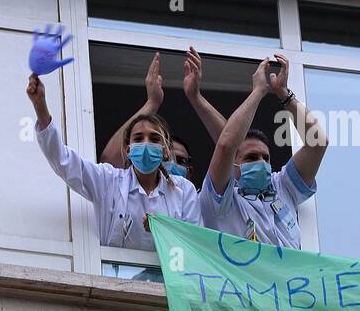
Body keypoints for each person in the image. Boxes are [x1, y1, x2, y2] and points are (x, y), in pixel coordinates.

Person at [26, 71, 199, 250]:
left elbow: (195, 244)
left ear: (165, 152)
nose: (146, 144)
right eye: (138, 139)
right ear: (128, 150)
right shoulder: (109, 181)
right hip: (116, 277)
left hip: (168, 277)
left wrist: (162, 230)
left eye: (154, 139)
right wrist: (41, 108)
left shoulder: (183, 191)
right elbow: (64, 161)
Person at [201, 54, 327, 247]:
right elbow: (226, 144)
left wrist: (284, 95)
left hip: (289, 276)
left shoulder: (282, 186)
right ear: (233, 165)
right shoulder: (219, 199)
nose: (260, 162)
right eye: (251, 157)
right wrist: (258, 91)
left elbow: (318, 142)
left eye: (265, 158)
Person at [100, 48, 225, 187]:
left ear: (190, 171)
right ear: (158, 158)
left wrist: (196, 97)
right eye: (168, 158)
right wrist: (152, 103)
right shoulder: (134, 193)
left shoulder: (200, 201)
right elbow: (110, 159)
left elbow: (231, 147)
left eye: (181, 160)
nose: (172, 164)